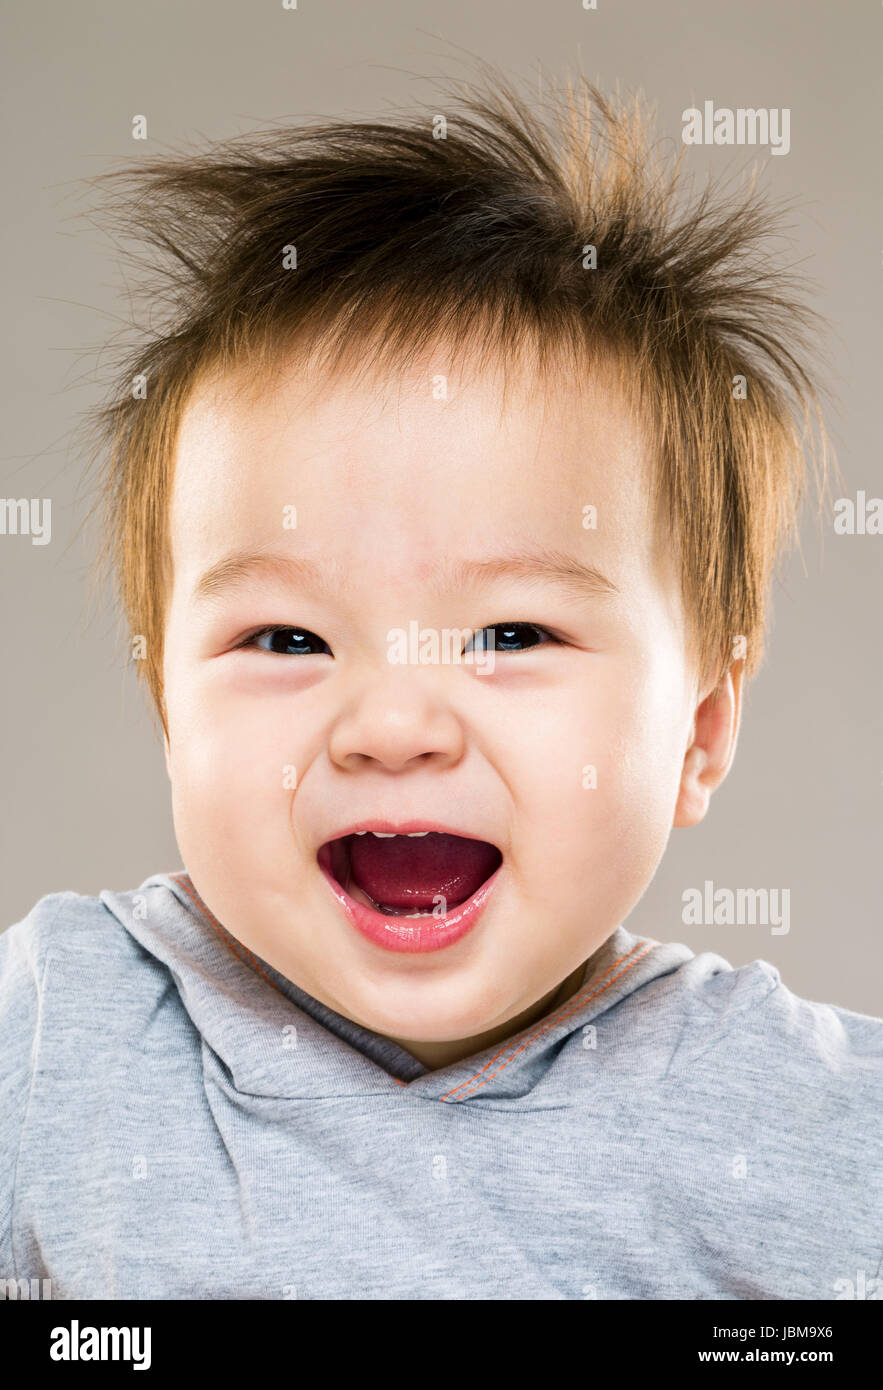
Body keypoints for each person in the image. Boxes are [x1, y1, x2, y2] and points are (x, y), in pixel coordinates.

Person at [2, 69, 880, 1300]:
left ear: (698, 727)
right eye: (289, 641)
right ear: (170, 715)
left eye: (512, 632)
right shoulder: (59, 1036)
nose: (395, 725)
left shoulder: (808, 1129)